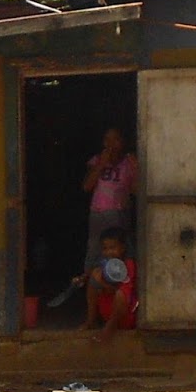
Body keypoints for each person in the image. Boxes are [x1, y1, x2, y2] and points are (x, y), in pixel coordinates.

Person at [82, 126, 138, 268]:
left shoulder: (128, 162)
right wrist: (101, 164)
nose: (111, 144)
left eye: (116, 139)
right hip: (98, 213)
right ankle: (92, 278)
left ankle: (121, 278)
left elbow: (136, 191)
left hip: (120, 213)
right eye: (107, 139)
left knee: (120, 248)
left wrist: (136, 169)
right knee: (96, 248)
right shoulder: (96, 160)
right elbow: (87, 186)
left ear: (123, 142)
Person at [77, 227, 138, 341]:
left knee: (120, 294)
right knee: (92, 283)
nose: (109, 252)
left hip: (124, 315)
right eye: (105, 248)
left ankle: (109, 329)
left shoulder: (128, 264)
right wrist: (83, 278)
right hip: (107, 310)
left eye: (112, 248)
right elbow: (91, 274)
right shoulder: (104, 263)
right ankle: (91, 321)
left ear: (122, 248)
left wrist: (103, 284)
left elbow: (125, 294)